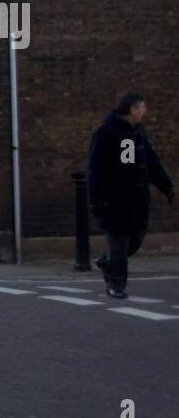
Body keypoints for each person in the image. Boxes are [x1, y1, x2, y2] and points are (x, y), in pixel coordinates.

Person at [88, 92, 173, 298]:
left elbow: (151, 162)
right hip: (115, 198)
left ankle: (107, 260)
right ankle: (116, 284)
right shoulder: (106, 133)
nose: (145, 111)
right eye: (142, 107)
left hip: (137, 198)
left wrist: (165, 186)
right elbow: (95, 168)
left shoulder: (138, 133)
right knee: (119, 240)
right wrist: (97, 198)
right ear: (133, 110)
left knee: (136, 238)